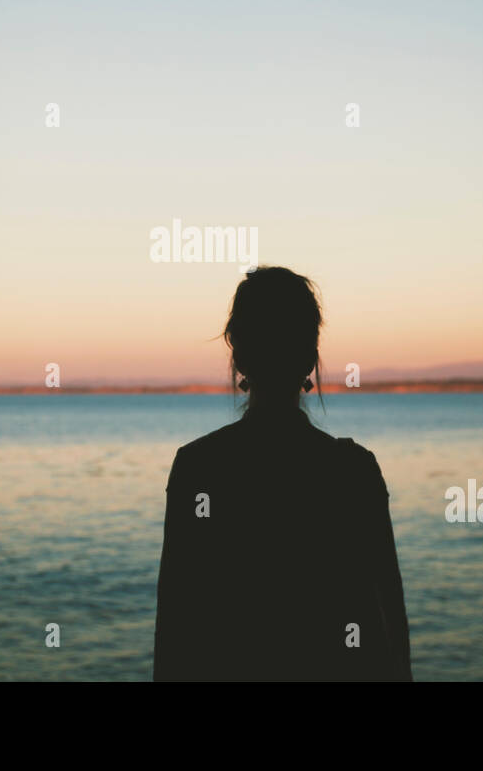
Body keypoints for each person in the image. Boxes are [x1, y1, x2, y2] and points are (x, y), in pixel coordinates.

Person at [153, 266, 413, 681]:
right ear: (310, 356)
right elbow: (389, 636)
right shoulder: (354, 473)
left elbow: (175, 638)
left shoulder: (197, 468)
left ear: (237, 356)